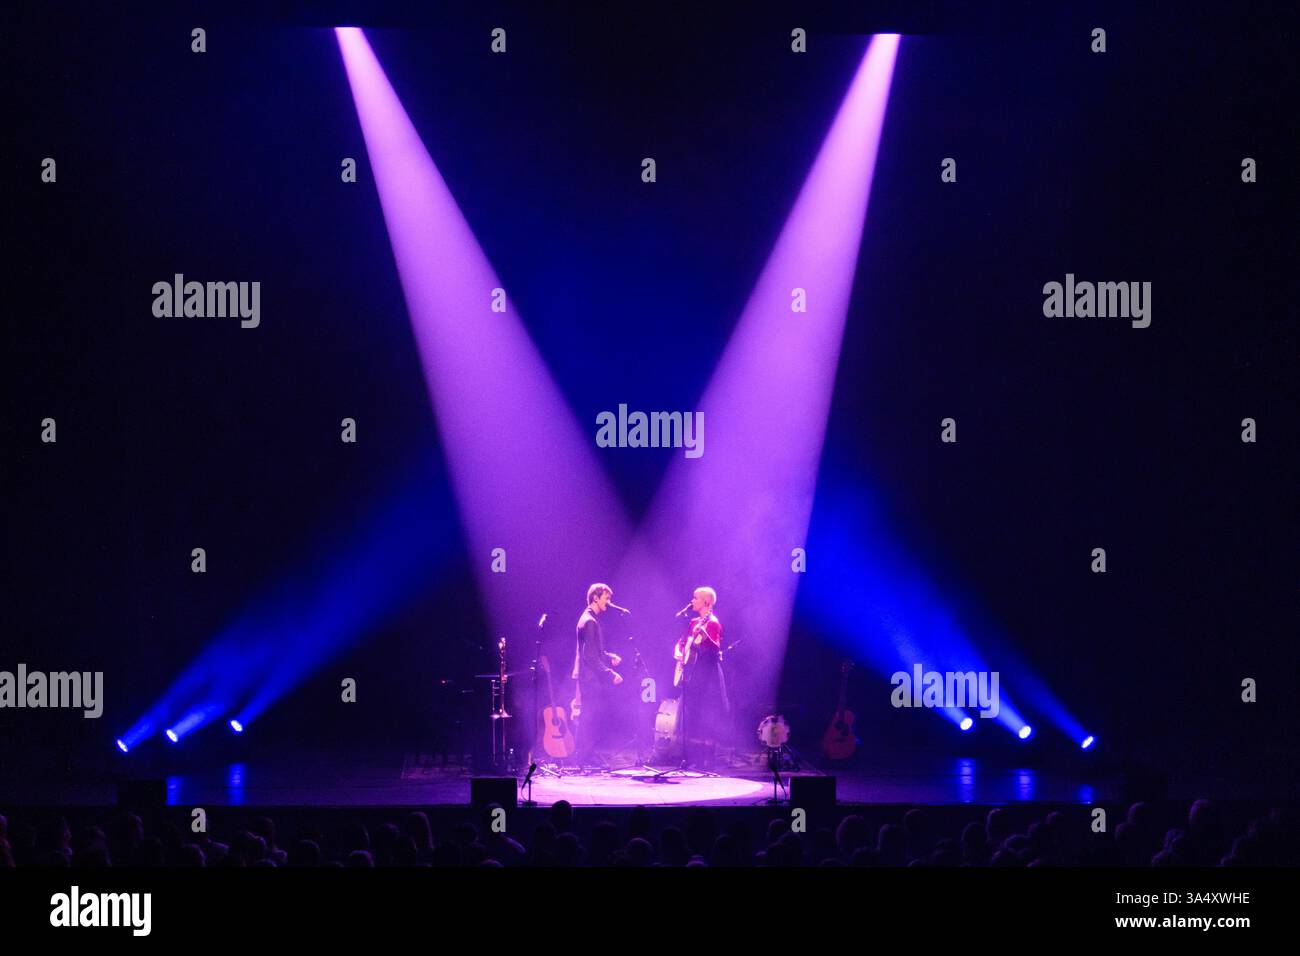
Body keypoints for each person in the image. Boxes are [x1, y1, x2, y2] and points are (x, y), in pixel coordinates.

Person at [673, 586, 729, 767]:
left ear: (706, 602)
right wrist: (678, 652)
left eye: (695, 598)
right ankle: (693, 758)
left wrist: (706, 636)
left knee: (708, 713)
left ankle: (708, 759)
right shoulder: (693, 622)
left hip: (709, 674)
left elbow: (716, 648)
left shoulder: (712, 623)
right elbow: (682, 642)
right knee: (694, 713)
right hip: (694, 673)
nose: (692, 601)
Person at [571, 583, 623, 767]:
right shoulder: (590, 621)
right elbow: (591, 657)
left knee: (590, 715)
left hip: (588, 676)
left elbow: (594, 651)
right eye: (606, 598)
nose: (608, 603)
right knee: (589, 716)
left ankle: (585, 754)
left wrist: (609, 657)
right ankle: (584, 756)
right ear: (595, 597)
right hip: (590, 677)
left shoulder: (589, 618)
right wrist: (610, 674)